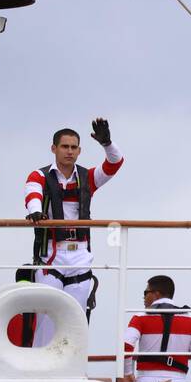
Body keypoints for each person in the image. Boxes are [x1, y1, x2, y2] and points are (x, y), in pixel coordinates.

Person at [22, 119, 123, 344]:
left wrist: (107, 143)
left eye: (73, 147)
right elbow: (32, 194)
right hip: (51, 255)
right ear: (54, 149)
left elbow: (115, 164)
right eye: (65, 146)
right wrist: (36, 212)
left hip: (80, 255)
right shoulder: (40, 175)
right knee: (46, 317)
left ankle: (73, 373)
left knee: (75, 319)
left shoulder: (88, 177)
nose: (69, 151)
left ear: (79, 150)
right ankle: (41, 372)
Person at [123, 276, 191, 382]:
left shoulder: (140, 317)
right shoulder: (190, 318)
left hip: (146, 381)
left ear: (157, 294)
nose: (144, 297)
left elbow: (126, 346)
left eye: (146, 293)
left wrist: (127, 373)